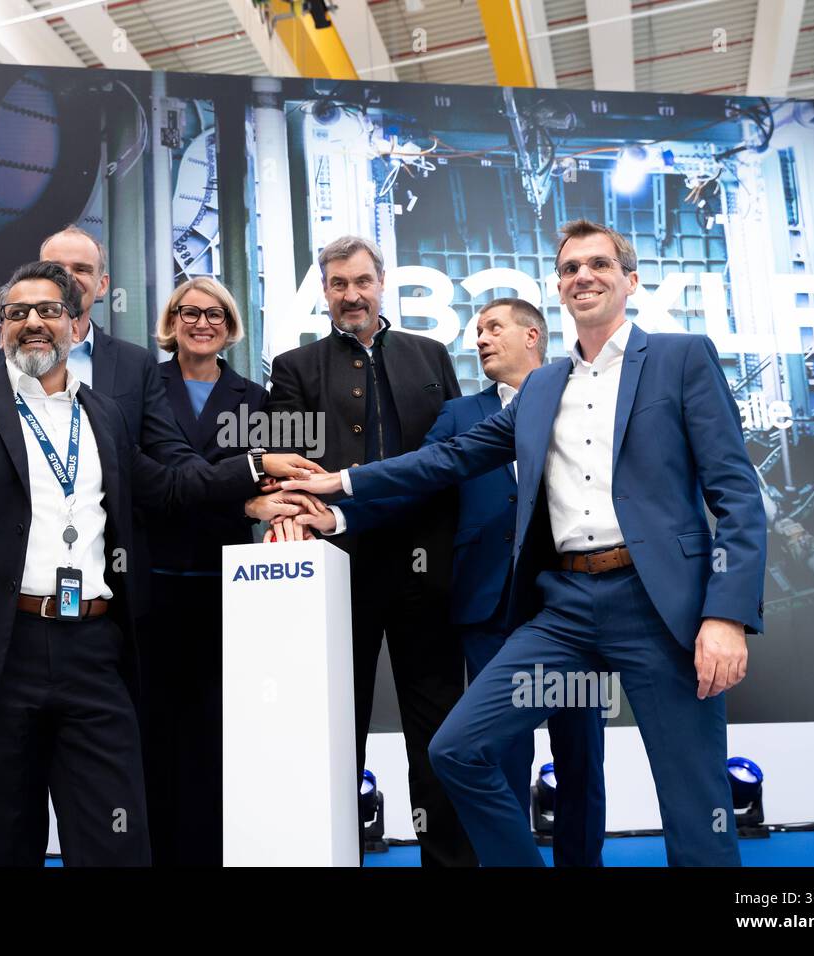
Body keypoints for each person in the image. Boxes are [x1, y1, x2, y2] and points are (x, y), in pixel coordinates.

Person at [284, 219, 766, 866]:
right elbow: (445, 460)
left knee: (695, 817)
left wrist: (727, 614)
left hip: (660, 606)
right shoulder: (544, 386)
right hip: (564, 606)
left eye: (597, 265)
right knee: (457, 749)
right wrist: (340, 482)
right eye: (569, 269)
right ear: (560, 289)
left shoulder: (682, 358)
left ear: (631, 279)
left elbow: (736, 494)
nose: (582, 276)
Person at [0, 260, 320, 866]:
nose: (34, 323)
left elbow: (168, 487)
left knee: (117, 843)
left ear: (75, 324)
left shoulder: (104, 415)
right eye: (17, 313)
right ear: (1, 331)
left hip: (95, 652)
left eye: (49, 311)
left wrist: (254, 471)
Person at [296, 298, 606, 866]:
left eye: (493, 328)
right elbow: (417, 478)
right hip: (490, 609)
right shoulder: (463, 416)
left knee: (581, 756)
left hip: (575, 604)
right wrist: (342, 516)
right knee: (499, 754)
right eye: (476, 331)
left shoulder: (580, 401)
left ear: (532, 334)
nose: (480, 339)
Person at [266, 234, 476, 867]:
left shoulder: (433, 355)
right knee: (334, 730)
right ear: (324, 292)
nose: (351, 295)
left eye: (361, 281)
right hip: (335, 573)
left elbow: (456, 455)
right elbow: (286, 469)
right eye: (337, 284)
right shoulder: (294, 367)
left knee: (439, 734)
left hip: (428, 572)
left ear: (383, 282)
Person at [0, 224, 196, 609]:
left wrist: (245, 479)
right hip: (7, 580)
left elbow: (169, 458)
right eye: (55, 267)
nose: (69, 278)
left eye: (82, 269)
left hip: (108, 583)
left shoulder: (134, 363)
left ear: (103, 285)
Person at [138, 276, 283, 866]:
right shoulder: (144, 386)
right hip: (150, 581)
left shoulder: (254, 397)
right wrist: (230, 491)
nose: (202, 322)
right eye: (190, 312)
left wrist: (240, 498)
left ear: (230, 323)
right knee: (155, 729)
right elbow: (142, 476)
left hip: (228, 585)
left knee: (215, 729)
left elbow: (260, 480)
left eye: (215, 313)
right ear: (171, 321)